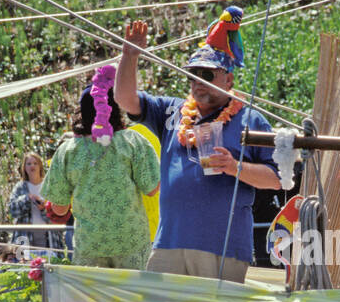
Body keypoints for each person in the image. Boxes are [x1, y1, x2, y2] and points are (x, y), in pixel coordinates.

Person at [114, 16, 281, 283]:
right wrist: (130, 56)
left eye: (206, 74)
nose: (197, 81)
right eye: (192, 74)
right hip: (169, 242)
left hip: (222, 247)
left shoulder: (251, 120)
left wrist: (234, 167)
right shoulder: (172, 110)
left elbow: (276, 179)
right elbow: (125, 99)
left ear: (229, 80)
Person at [42, 64, 160, 268]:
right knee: (133, 299)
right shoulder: (132, 141)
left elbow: (60, 210)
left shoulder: (67, 150)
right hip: (131, 241)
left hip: (90, 245)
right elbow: (151, 189)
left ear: (81, 112)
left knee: (93, 300)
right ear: (115, 109)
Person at [8, 152, 54, 258]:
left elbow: (57, 213)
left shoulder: (48, 186)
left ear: (40, 166)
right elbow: (12, 210)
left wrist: (44, 208)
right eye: (28, 164)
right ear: (24, 168)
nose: (32, 166)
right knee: (24, 264)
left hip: (47, 234)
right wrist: (27, 199)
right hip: (25, 233)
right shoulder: (20, 187)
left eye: (35, 163)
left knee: (46, 264)